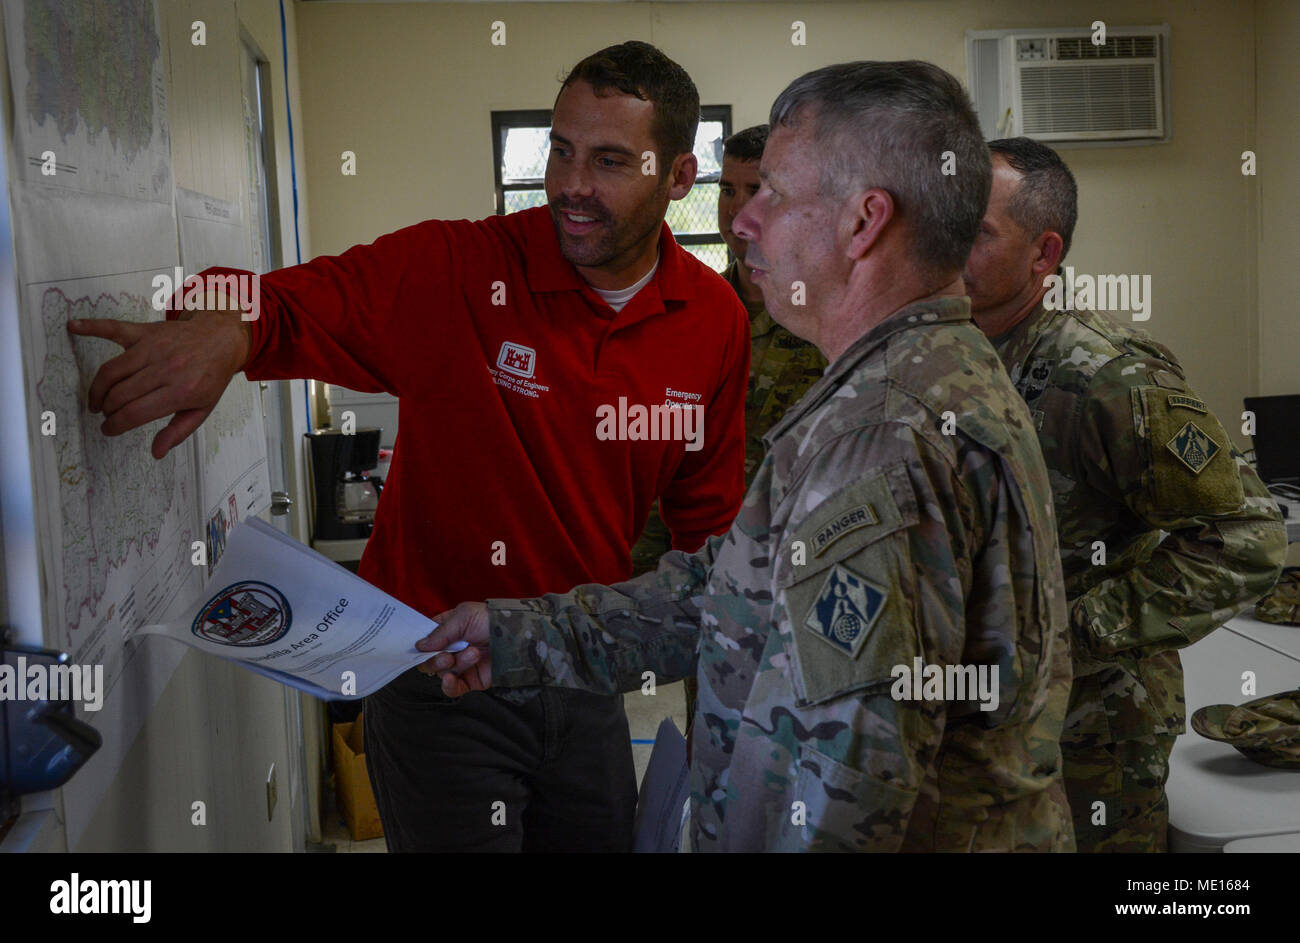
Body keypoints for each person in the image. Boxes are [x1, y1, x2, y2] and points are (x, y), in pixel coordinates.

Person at [69, 41, 751, 852]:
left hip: (581, 675)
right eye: (560, 151)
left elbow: (710, 534)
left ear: (678, 176)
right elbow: (299, 302)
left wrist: (728, 714)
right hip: (439, 678)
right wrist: (231, 327)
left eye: (608, 161)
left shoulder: (713, 320)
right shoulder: (459, 269)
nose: (570, 185)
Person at [422, 61, 1076, 853]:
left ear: (863, 222)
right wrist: (524, 634)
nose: (742, 221)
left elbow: (838, 800)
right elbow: (737, 589)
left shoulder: (884, 437)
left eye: (774, 192)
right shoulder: (920, 375)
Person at [961, 137, 1287, 852]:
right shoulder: (953, 355)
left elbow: (1246, 539)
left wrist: (1074, 633)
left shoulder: (1102, 371)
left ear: (1043, 255)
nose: (949, 243)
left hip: (1091, 732)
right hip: (984, 728)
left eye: (978, 232)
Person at [630, 124, 826, 740]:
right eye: (727, 190)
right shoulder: (691, 311)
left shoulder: (822, 318)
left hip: (805, 588)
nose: (738, 209)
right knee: (715, 747)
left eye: (757, 189)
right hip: (711, 578)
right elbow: (667, 458)